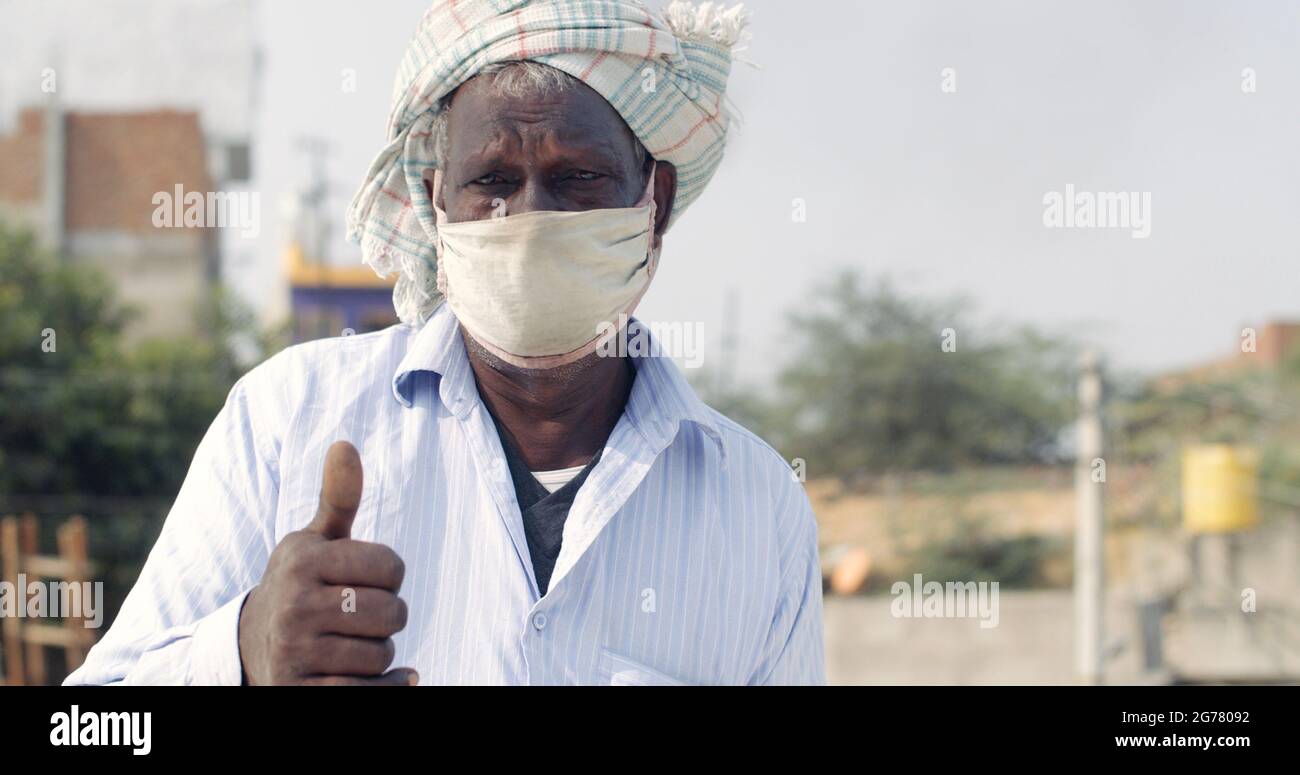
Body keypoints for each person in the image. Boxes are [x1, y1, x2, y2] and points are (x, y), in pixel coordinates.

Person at [66, 0, 823, 686]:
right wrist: (241, 650)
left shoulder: (757, 507)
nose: (527, 219)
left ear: (651, 201)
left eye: (578, 176)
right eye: (492, 178)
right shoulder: (283, 420)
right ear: (437, 205)